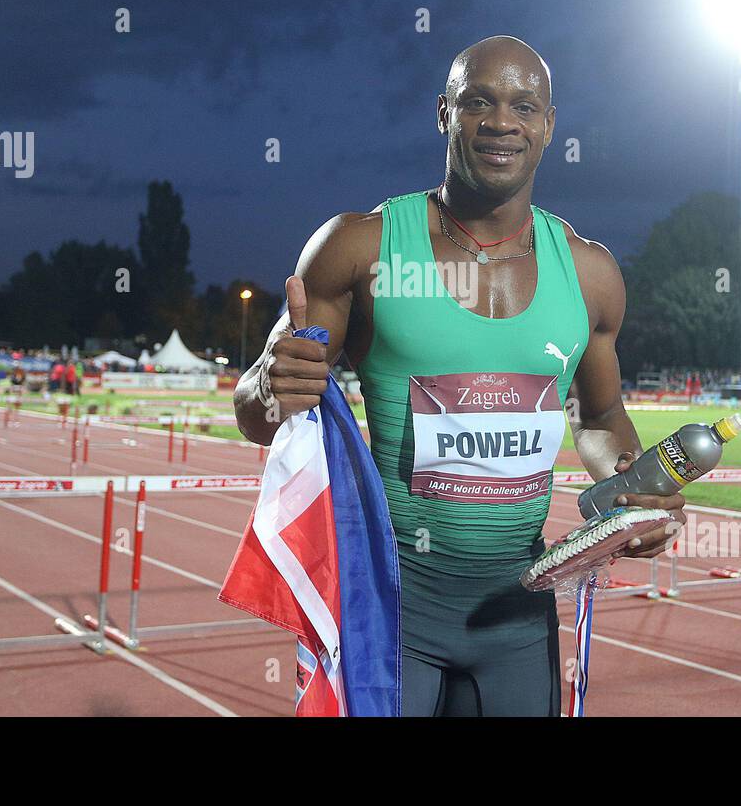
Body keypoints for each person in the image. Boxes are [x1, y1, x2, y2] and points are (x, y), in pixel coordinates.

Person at [234, 35, 686, 717]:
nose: (502, 122)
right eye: (479, 103)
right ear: (444, 112)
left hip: (518, 612)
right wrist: (269, 385)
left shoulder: (590, 272)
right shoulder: (359, 247)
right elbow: (256, 408)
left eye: (523, 106)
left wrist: (630, 487)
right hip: (390, 611)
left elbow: (596, 418)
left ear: (549, 125)